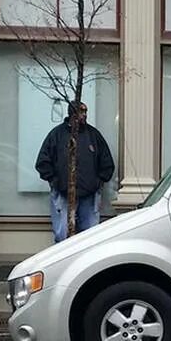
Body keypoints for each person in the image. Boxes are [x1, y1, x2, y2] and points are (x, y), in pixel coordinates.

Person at [36, 100, 115, 243]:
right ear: (72, 113)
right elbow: (42, 162)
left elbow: (107, 163)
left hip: (89, 196)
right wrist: (55, 181)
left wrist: (98, 182)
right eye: (81, 112)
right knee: (62, 235)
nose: (84, 115)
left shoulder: (94, 135)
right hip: (63, 193)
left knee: (90, 237)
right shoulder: (57, 135)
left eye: (86, 112)